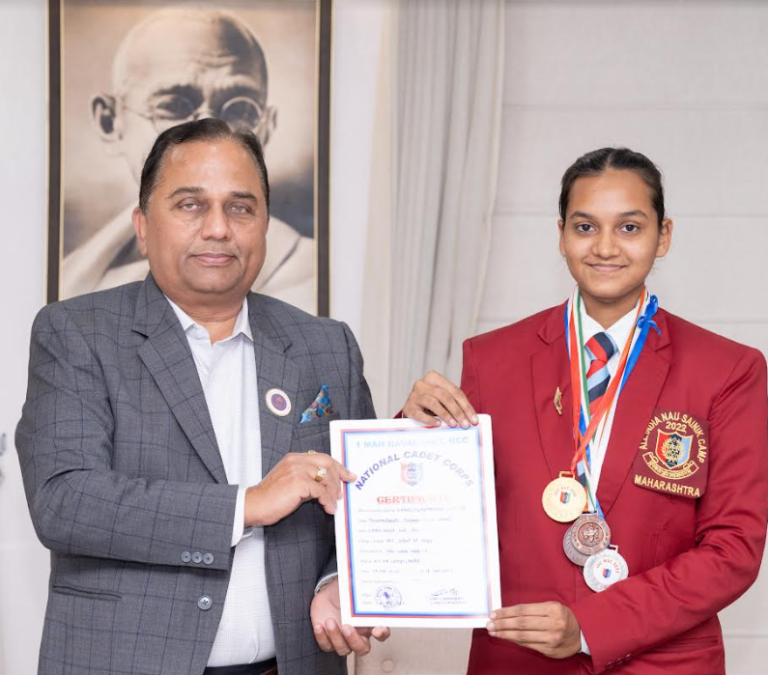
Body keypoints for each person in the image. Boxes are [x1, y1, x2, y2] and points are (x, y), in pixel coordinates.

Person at [17, 118, 388, 675]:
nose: (218, 228)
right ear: (143, 226)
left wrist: (340, 579)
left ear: (265, 225)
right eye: (190, 205)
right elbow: (65, 501)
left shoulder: (325, 345)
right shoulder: (77, 333)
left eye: (241, 208)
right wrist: (247, 504)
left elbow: (360, 503)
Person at [403, 148, 768, 674]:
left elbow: (733, 550)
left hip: (662, 662)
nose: (605, 247)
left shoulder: (726, 369)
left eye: (629, 227)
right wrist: (412, 427)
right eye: (585, 226)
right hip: (518, 658)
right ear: (561, 235)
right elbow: (435, 502)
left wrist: (592, 627)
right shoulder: (491, 358)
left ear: (663, 235)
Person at [61, 7, 314, 313]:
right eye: (173, 105)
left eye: (239, 108)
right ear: (110, 122)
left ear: (266, 128)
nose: (208, 138)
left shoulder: (304, 276)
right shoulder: (71, 283)